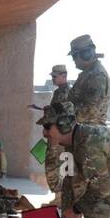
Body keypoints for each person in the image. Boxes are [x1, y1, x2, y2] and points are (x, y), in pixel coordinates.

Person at [66, 34, 110, 125]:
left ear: (85, 54)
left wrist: (63, 112)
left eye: (74, 56)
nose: (73, 60)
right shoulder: (89, 74)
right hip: (83, 131)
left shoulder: (97, 76)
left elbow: (90, 111)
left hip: (91, 134)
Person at [43, 64, 70, 196]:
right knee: (58, 166)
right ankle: (59, 197)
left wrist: (48, 126)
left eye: (55, 76)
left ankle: (60, 197)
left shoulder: (63, 92)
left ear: (63, 76)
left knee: (56, 166)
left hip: (59, 136)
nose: (53, 79)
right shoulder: (60, 91)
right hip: (59, 135)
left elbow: (59, 114)